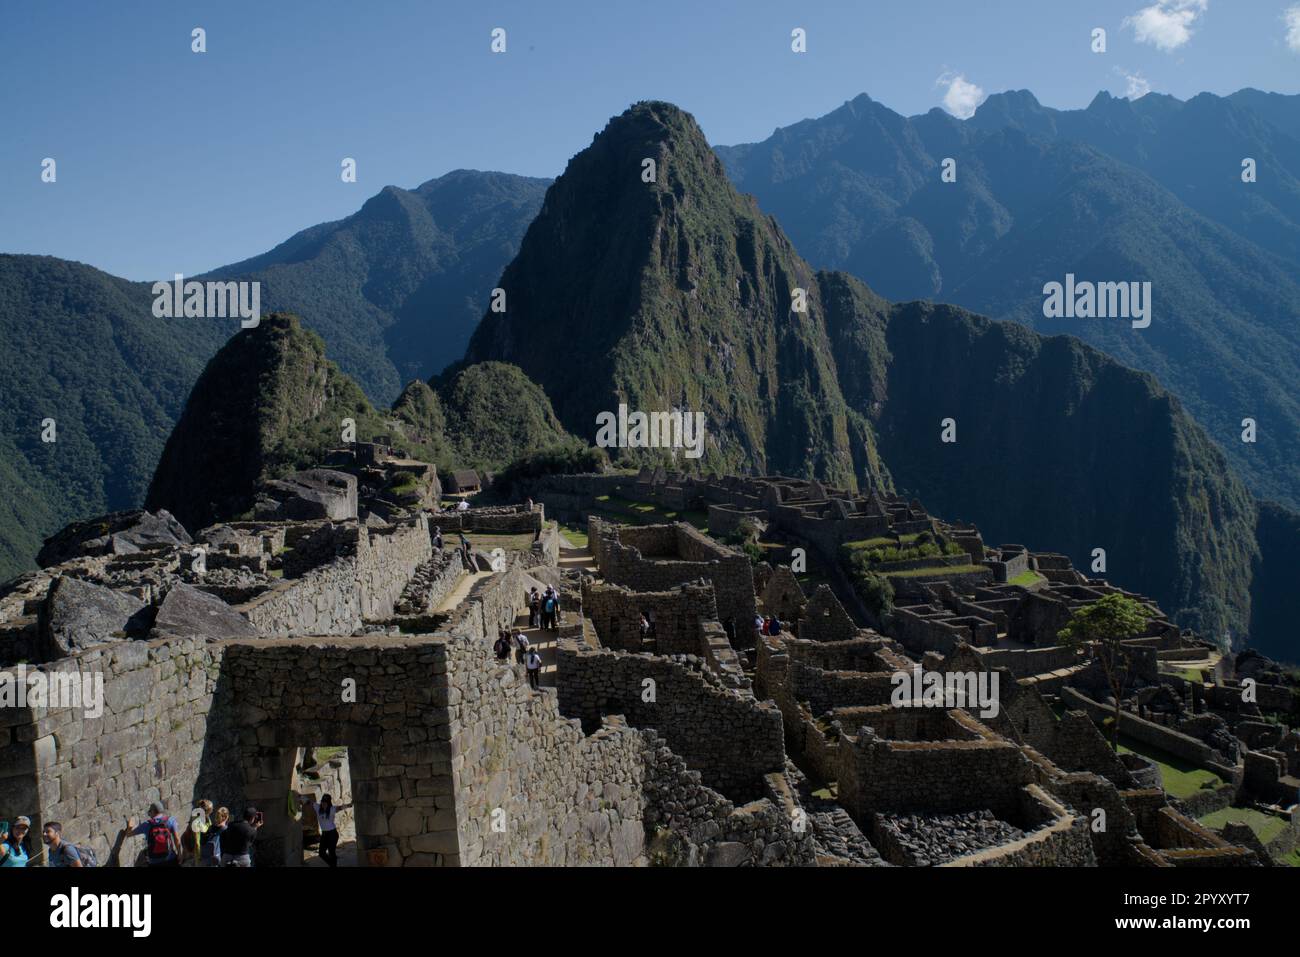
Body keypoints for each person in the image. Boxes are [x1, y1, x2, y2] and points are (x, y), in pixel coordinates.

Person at [301, 794, 351, 868]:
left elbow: (340, 807)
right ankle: (332, 864)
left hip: (332, 834)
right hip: (325, 834)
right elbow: (309, 802)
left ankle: (333, 865)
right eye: (322, 802)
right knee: (321, 853)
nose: (323, 804)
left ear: (328, 803)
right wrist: (300, 796)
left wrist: (350, 805)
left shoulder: (332, 809)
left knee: (332, 852)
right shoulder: (318, 807)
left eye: (325, 802)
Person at [127, 802, 181, 867]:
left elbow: (128, 834)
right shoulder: (171, 820)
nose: (149, 813)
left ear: (153, 811)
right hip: (170, 859)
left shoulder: (146, 824)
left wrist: (130, 826)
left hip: (154, 862)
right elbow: (177, 839)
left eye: (150, 811)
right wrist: (179, 853)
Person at [180, 799, 213, 867]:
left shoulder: (199, 815)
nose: (212, 811)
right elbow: (197, 841)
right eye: (211, 810)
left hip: (195, 846)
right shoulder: (197, 822)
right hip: (194, 850)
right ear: (207, 811)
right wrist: (198, 857)